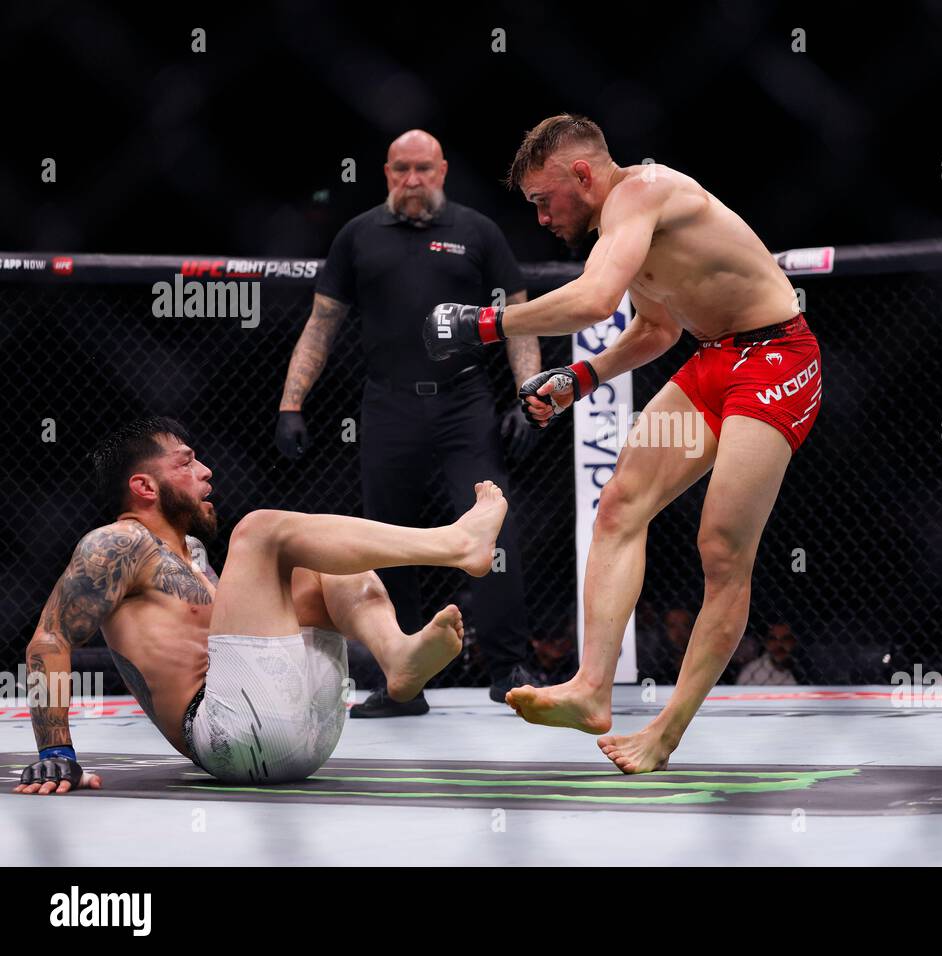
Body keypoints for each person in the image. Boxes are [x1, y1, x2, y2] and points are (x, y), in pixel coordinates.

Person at [423, 114, 823, 772]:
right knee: (619, 505)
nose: (543, 218)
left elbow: (594, 299)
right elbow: (658, 328)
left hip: (779, 358)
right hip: (714, 361)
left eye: (544, 200)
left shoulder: (643, 193)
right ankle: (591, 689)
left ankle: (666, 730)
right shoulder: (623, 225)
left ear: (582, 174)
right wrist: (580, 378)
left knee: (721, 551)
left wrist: (483, 325)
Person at [14, 417, 504, 794]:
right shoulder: (117, 542)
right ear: (144, 487)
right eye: (185, 463)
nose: (206, 471)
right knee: (259, 529)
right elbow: (50, 638)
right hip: (228, 735)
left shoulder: (198, 559)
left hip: (305, 731)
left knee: (322, 555)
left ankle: (396, 656)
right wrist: (56, 750)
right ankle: (455, 544)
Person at [275, 129, 542, 715]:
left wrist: (526, 394)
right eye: (401, 170)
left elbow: (519, 313)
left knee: (493, 525)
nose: (412, 180)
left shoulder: (477, 232)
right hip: (388, 403)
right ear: (387, 172)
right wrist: (291, 403)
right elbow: (322, 324)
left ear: (442, 170)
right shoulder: (359, 235)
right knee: (385, 537)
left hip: (463, 401)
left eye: (423, 169)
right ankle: (403, 682)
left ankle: (510, 665)